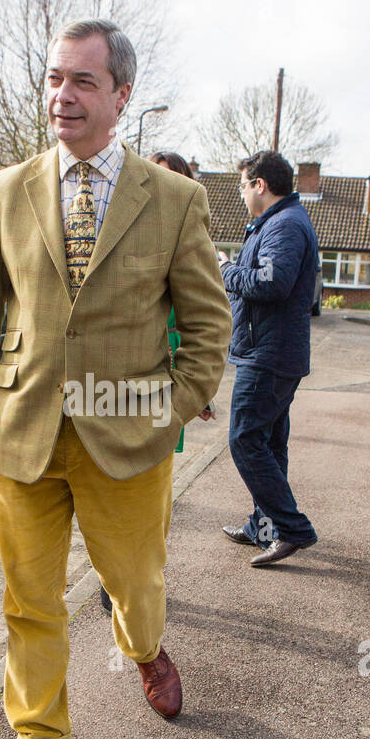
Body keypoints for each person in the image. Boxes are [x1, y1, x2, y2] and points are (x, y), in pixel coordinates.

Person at [0, 19, 231, 739]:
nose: (61, 97)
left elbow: (208, 326)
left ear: (121, 96)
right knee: (28, 599)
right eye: (53, 79)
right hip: (22, 431)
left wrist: (173, 406)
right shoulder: (6, 189)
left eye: (82, 82)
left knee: (134, 585)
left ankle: (145, 648)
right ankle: (41, 738)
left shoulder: (174, 200)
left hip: (129, 437)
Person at [97, 150, 216, 615]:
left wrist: (197, 391)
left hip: (167, 384)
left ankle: (142, 573)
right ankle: (115, 574)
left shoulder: (186, 232)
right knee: (112, 479)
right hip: (117, 384)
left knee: (154, 487)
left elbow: (202, 320)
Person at [218, 150, 320, 567]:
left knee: (244, 440)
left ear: (260, 184)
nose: (241, 193)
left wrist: (224, 269)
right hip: (272, 351)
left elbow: (271, 283)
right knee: (268, 443)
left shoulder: (285, 225)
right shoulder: (281, 222)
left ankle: (292, 529)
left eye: (243, 185)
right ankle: (263, 530)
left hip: (268, 355)